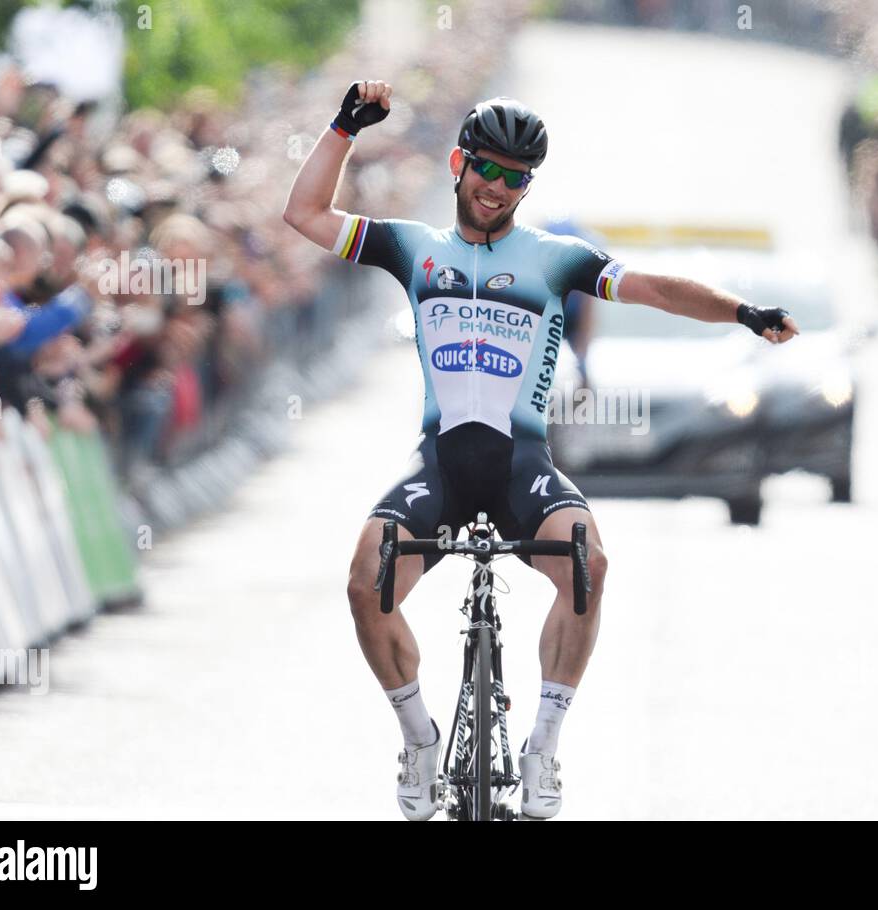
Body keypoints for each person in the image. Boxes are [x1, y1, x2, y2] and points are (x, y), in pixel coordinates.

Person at [283, 82, 798, 820]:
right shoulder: (412, 246)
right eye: (487, 170)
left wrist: (742, 312)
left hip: (523, 464)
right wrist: (341, 129)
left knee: (588, 563)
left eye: (516, 178)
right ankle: (419, 739)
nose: (497, 188)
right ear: (458, 164)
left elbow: (653, 288)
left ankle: (544, 746)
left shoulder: (556, 259)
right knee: (367, 579)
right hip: (440, 464)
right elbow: (304, 215)